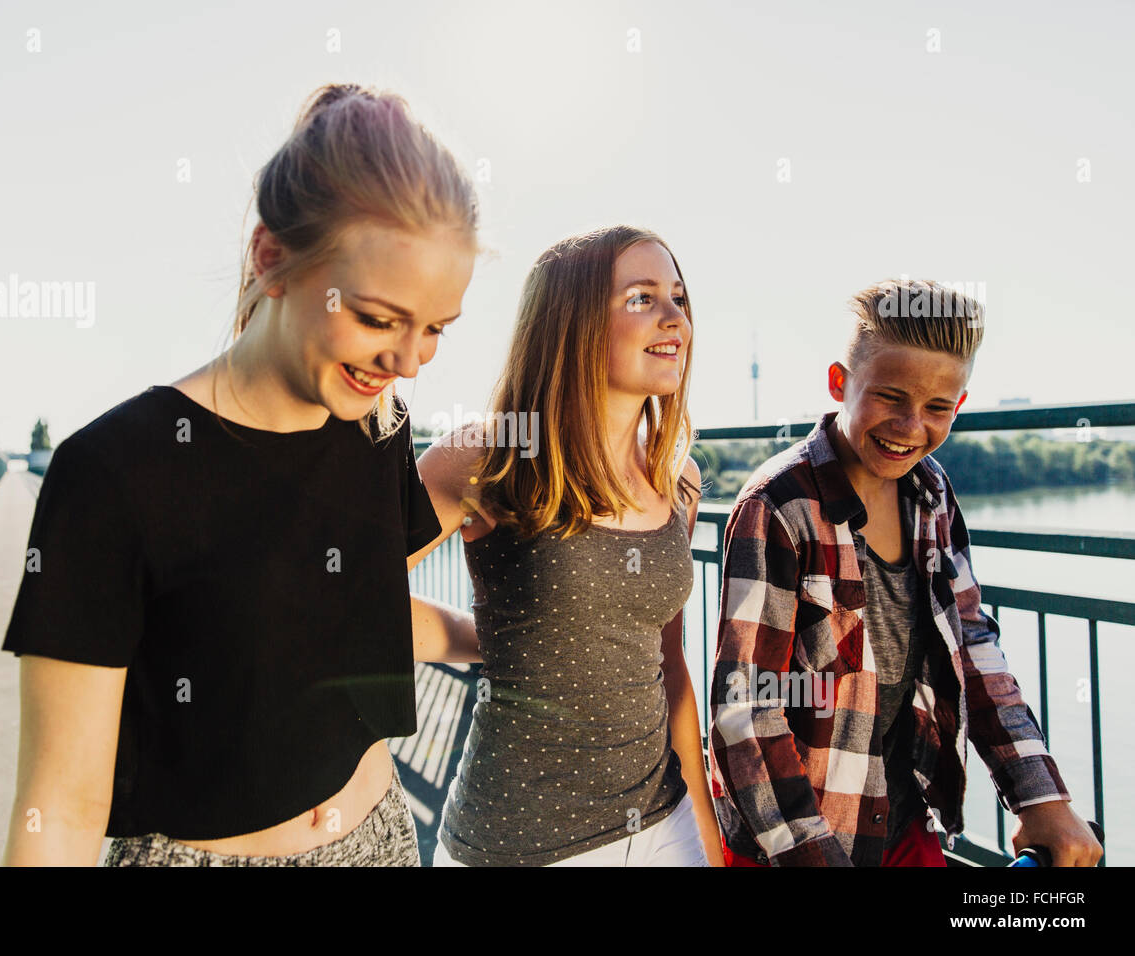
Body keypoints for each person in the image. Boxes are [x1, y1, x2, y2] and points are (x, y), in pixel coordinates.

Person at [0, 83, 483, 866]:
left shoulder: (374, 427)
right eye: (376, 319)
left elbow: (330, 616)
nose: (406, 363)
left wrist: (492, 633)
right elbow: (59, 809)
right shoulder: (110, 475)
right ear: (272, 259)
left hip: (385, 838)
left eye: (434, 329)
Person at [708, 278, 1104, 867]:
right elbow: (744, 708)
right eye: (891, 397)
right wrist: (808, 852)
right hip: (794, 836)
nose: (910, 426)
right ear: (839, 382)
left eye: (937, 408)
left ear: (959, 406)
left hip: (900, 815)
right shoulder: (778, 507)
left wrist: (1039, 796)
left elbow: (970, 646)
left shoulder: (933, 492)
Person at [413, 226, 726, 866]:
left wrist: (706, 826)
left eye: (679, 297)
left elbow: (669, 664)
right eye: (642, 298)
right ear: (573, 322)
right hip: (519, 842)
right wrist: (493, 638)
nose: (675, 319)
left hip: (664, 826)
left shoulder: (679, 480)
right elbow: (347, 599)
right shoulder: (487, 456)